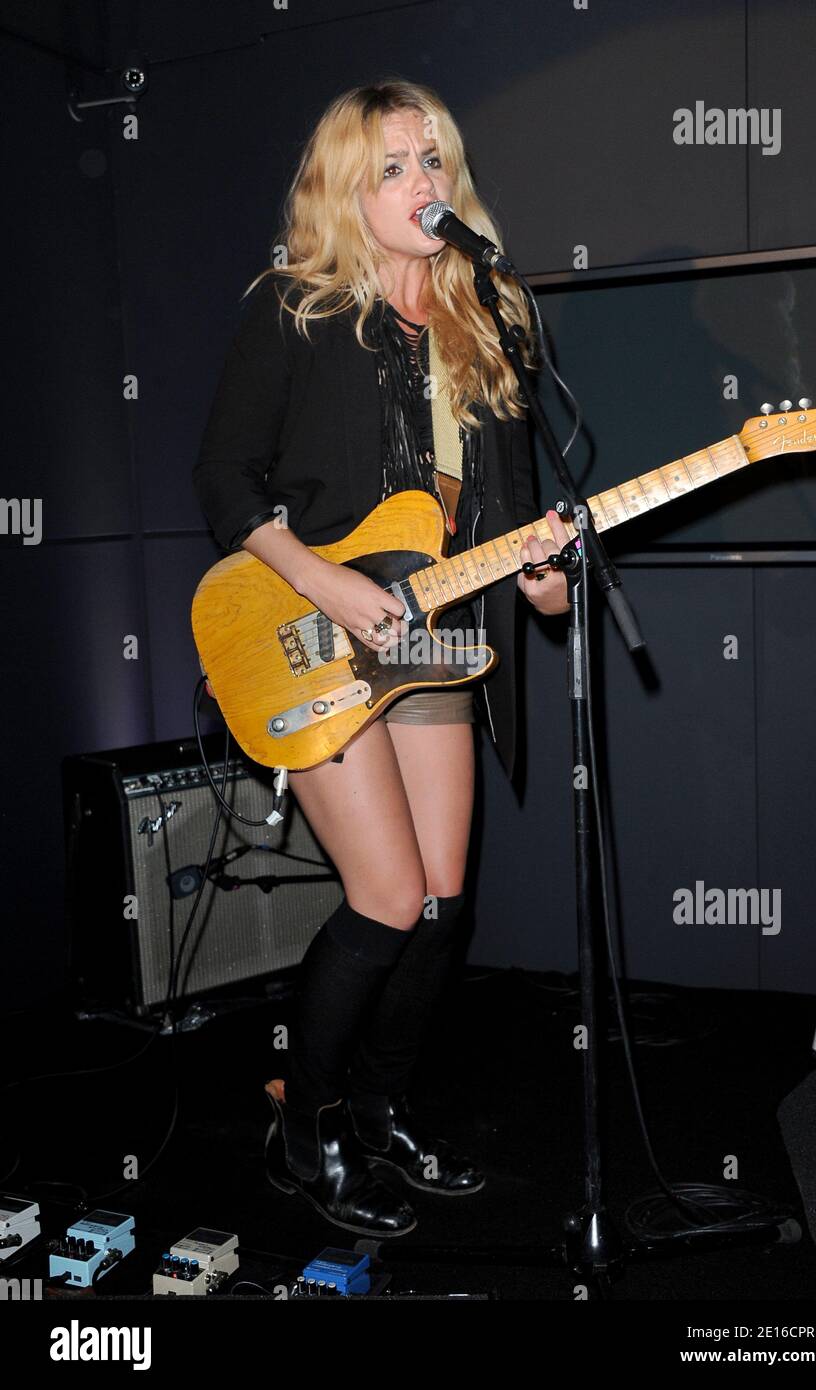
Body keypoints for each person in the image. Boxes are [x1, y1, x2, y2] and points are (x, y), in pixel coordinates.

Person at [193, 78, 571, 1237]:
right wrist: (327, 580)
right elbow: (223, 481)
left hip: (442, 634)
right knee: (388, 897)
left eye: (435, 159)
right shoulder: (295, 310)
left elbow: (503, 506)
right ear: (348, 192)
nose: (425, 183)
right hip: (313, 631)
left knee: (445, 904)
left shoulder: (487, 322)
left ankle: (380, 1108)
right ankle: (301, 1124)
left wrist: (540, 572)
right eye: (396, 164)